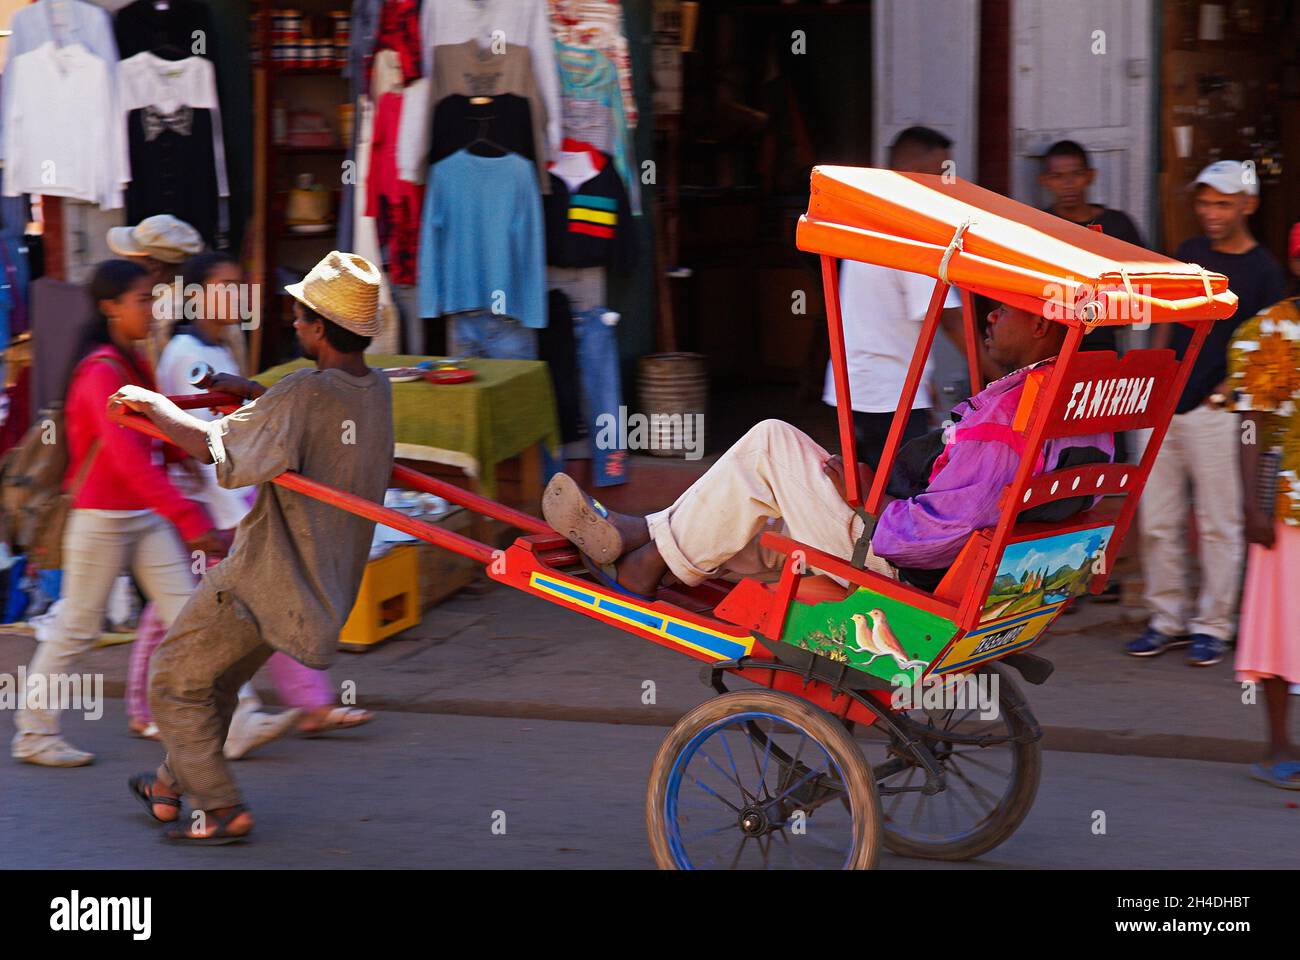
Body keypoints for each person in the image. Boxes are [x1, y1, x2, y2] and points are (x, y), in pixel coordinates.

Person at [547, 302, 1112, 598]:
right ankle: (646, 538)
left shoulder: (1012, 417)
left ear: (1041, 322)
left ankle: (644, 558)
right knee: (764, 508)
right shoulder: (1082, 402)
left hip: (903, 569)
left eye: (1004, 308)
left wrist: (868, 501)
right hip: (954, 565)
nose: (988, 315)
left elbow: (937, 533)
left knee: (772, 442)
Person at [117, 251, 394, 842]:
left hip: (261, 578)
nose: (292, 325)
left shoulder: (302, 394)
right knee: (211, 682)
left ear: (319, 327)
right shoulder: (372, 391)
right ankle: (169, 785)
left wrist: (155, 406)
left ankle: (220, 809)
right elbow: (308, 416)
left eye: (299, 317)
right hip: (319, 589)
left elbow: (216, 448)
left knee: (171, 680)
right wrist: (253, 393)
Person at [10, 260, 224, 767]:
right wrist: (193, 522)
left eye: (153, 298)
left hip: (139, 516)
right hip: (103, 518)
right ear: (111, 307)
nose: (152, 311)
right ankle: (34, 735)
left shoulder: (130, 362)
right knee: (77, 631)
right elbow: (132, 464)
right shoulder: (103, 373)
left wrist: (186, 459)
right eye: (143, 300)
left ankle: (238, 722)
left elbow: (157, 432)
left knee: (187, 617)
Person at [1128, 161, 1286, 665]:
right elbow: (1168, 320)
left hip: (1221, 413)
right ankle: (1165, 619)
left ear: (1249, 205)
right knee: (1157, 520)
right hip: (1165, 407)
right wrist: (1155, 375)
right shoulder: (1191, 254)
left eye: (1222, 203)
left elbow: (1270, 348)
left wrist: (1226, 392)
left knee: (1219, 524)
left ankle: (1213, 626)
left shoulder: (1266, 272)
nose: (1211, 213)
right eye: (1204, 202)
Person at [824, 126, 999, 470]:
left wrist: (923, 382)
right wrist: (998, 378)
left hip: (853, 387)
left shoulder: (872, 221)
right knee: (899, 497)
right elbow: (949, 320)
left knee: (862, 491)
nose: (946, 185)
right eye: (939, 175)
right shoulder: (911, 234)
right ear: (913, 174)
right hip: (889, 398)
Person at [1227, 295, 1300, 788]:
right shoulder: (1270, 330)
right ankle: (1278, 746)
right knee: (1278, 630)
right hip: (1289, 505)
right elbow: (1250, 424)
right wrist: (1253, 505)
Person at [1039, 139, 1146, 358]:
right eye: (1057, 176)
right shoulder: (1039, 227)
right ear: (1045, 181)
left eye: (1076, 174)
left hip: (1103, 347)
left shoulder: (1118, 224)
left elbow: (1147, 286)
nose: (1068, 183)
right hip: (1049, 349)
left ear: (1090, 176)